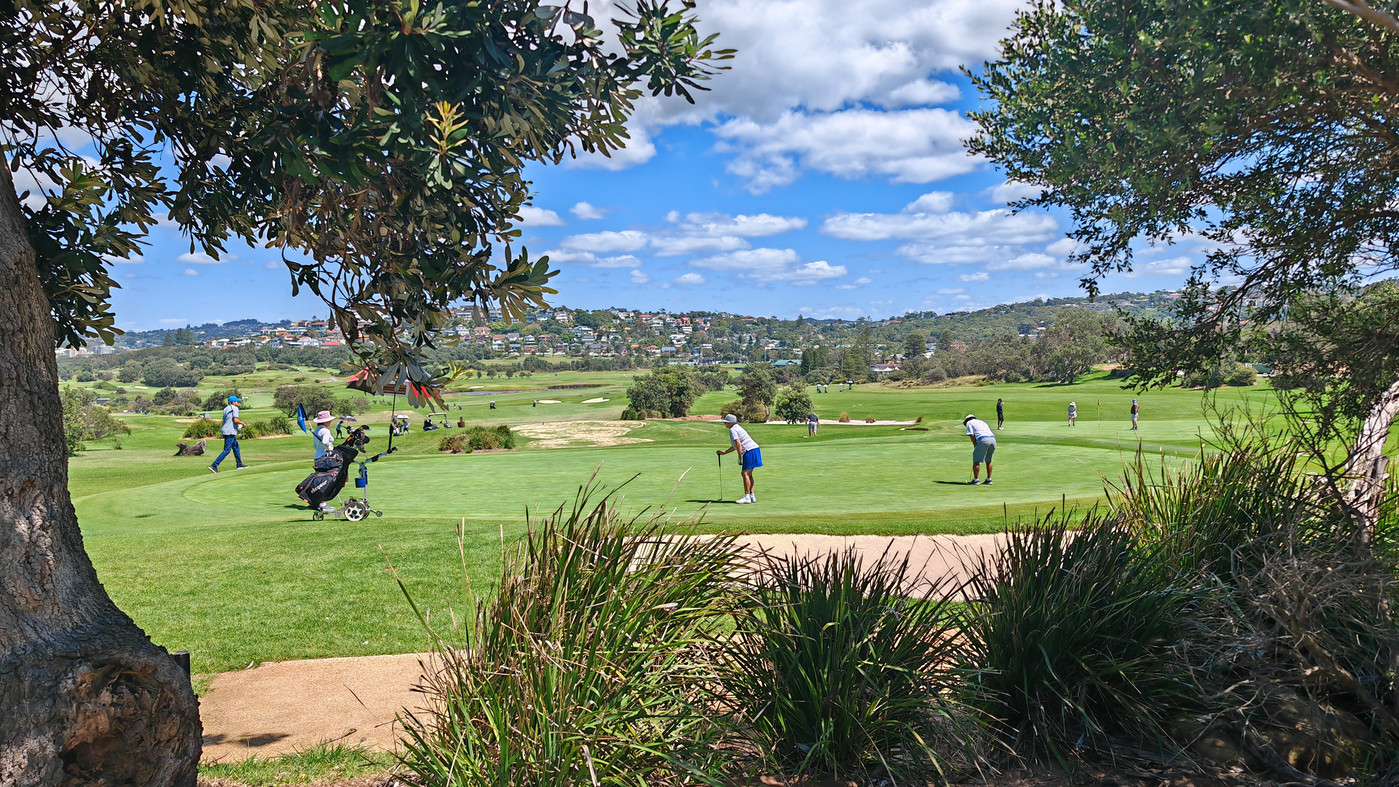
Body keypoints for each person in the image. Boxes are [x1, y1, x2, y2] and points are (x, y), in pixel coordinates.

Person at [717, 414, 762, 504]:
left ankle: (747, 497)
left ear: (730, 423)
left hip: (749, 451)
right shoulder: (737, 427)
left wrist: (739, 458)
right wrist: (724, 453)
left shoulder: (733, 430)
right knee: (749, 474)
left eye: (726, 422)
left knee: (744, 473)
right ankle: (752, 496)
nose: (725, 424)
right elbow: (735, 446)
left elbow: (738, 444)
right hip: (755, 449)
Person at [209, 395, 249, 473]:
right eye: (237, 401)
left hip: (226, 430)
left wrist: (237, 426)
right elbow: (235, 420)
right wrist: (242, 423)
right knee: (227, 450)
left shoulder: (226, 408)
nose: (237, 402)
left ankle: (239, 464)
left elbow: (230, 420)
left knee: (236, 447)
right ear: (233, 402)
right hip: (229, 432)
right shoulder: (234, 408)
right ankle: (214, 465)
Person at [963, 413, 996, 485]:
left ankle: (976, 480)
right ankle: (989, 480)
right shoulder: (982, 422)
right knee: (988, 460)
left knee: (976, 460)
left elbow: (971, 435)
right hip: (993, 439)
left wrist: (975, 444)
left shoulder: (969, 422)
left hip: (983, 440)